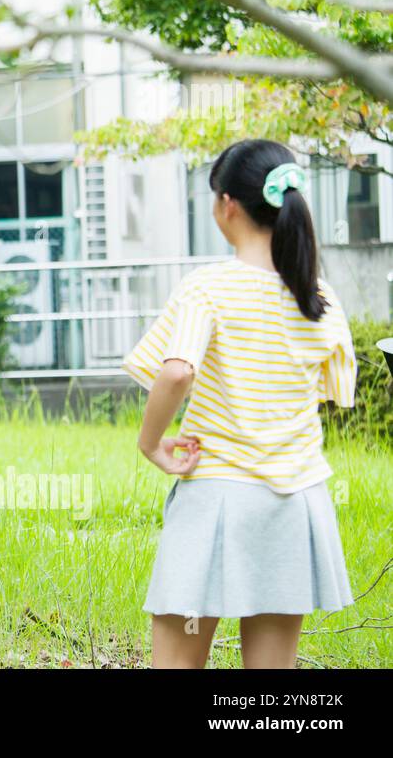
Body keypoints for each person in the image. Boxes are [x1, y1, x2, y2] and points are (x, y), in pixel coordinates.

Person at [123, 140, 357, 669]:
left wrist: (150, 443)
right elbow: (337, 393)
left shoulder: (207, 288)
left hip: (216, 499)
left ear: (227, 204)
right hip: (293, 503)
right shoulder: (318, 297)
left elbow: (177, 369)